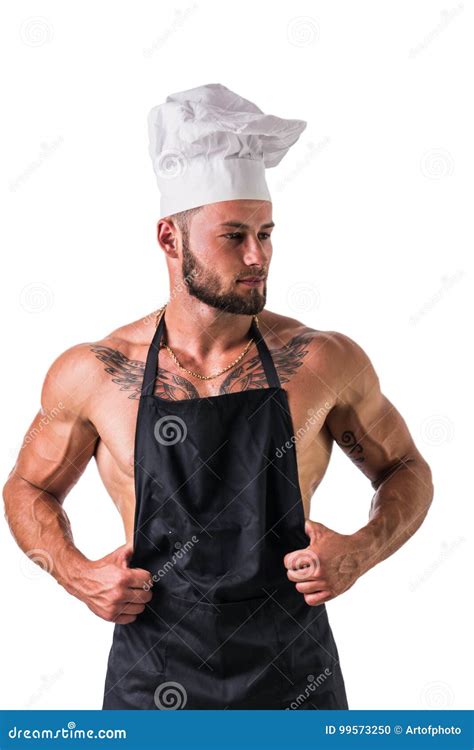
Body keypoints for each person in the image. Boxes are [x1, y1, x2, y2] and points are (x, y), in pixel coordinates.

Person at [3, 84, 433, 710]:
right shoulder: (95, 372)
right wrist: (77, 574)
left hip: (294, 677)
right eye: (234, 236)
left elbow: (406, 469)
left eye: (266, 232)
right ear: (169, 240)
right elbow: (26, 487)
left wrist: (360, 552)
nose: (258, 256)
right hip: (152, 680)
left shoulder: (323, 360)